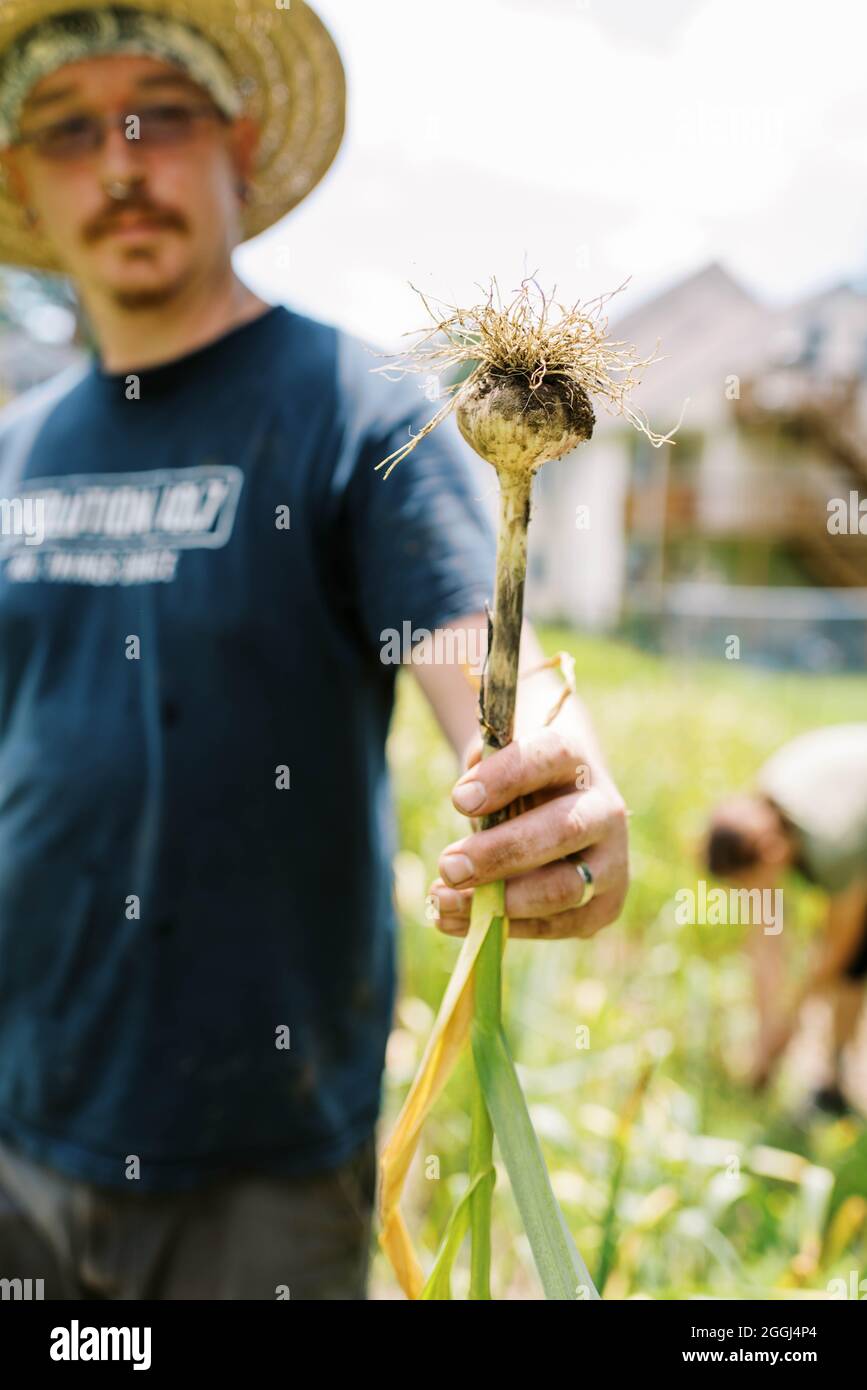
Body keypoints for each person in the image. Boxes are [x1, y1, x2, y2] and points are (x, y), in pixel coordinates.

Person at [0, 2, 628, 1298]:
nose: (118, 164)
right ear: (21, 176)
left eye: (156, 118)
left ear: (239, 144)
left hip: (267, 1148)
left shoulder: (354, 413)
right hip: (21, 1118)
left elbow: (482, 664)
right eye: (68, 130)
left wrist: (550, 788)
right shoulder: (15, 449)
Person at [704, 724, 867, 1113]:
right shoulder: (765, 812)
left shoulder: (833, 847)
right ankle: (832, 1080)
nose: (752, 895)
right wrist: (767, 1035)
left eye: (751, 885)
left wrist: (792, 1016)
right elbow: (767, 937)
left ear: (774, 854)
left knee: (851, 966)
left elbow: (840, 942)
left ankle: (834, 1082)